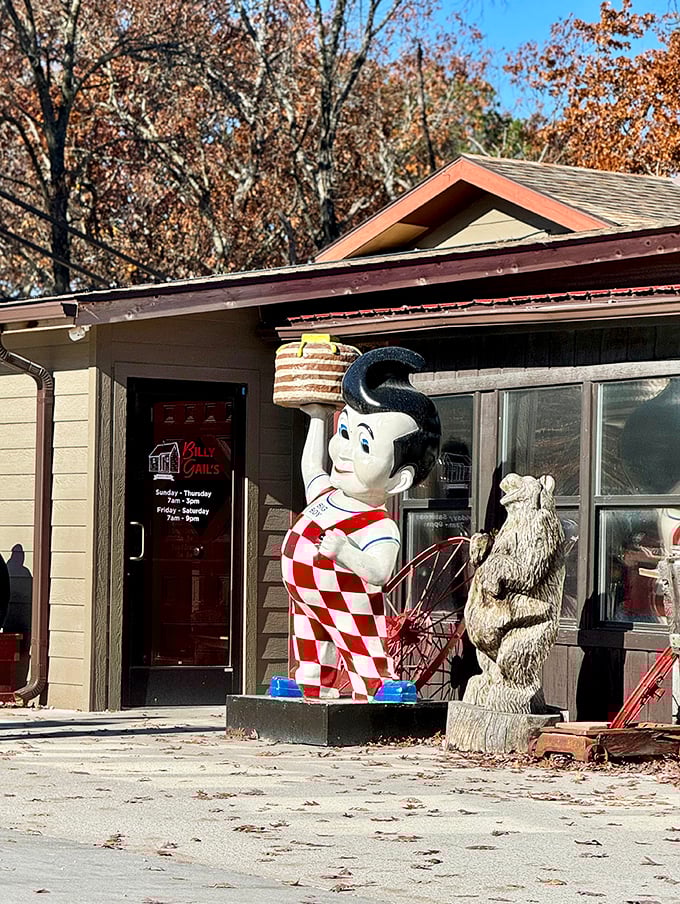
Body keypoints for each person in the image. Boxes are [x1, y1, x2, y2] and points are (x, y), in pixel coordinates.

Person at [280, 347, 441, 700]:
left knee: (358, 639)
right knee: (309, 638)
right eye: (345, 432)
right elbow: (311, 467)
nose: (343, 450)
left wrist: (345, 552)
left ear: (399, 479)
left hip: (348, 600)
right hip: (306, 596)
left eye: (364, 443)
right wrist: (319, 418)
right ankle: (311, 680)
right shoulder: (327, 495)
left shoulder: (378, 525)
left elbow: (381, 572)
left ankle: (373, 685)